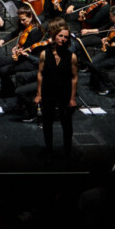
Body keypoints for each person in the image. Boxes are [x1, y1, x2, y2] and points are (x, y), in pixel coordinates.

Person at [34, 18, 78, 157]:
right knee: (47, 122)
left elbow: (74, 78)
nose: (63, 39)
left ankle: (67, 150)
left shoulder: (72, 56)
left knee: (67, 123)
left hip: (64, 93)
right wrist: (39, 94)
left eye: (66, 37)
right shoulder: (44, 54)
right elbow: (40, 74)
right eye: (60, 36)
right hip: (48, 92)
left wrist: (72, 98)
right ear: (54, 36)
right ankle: (49, 149)